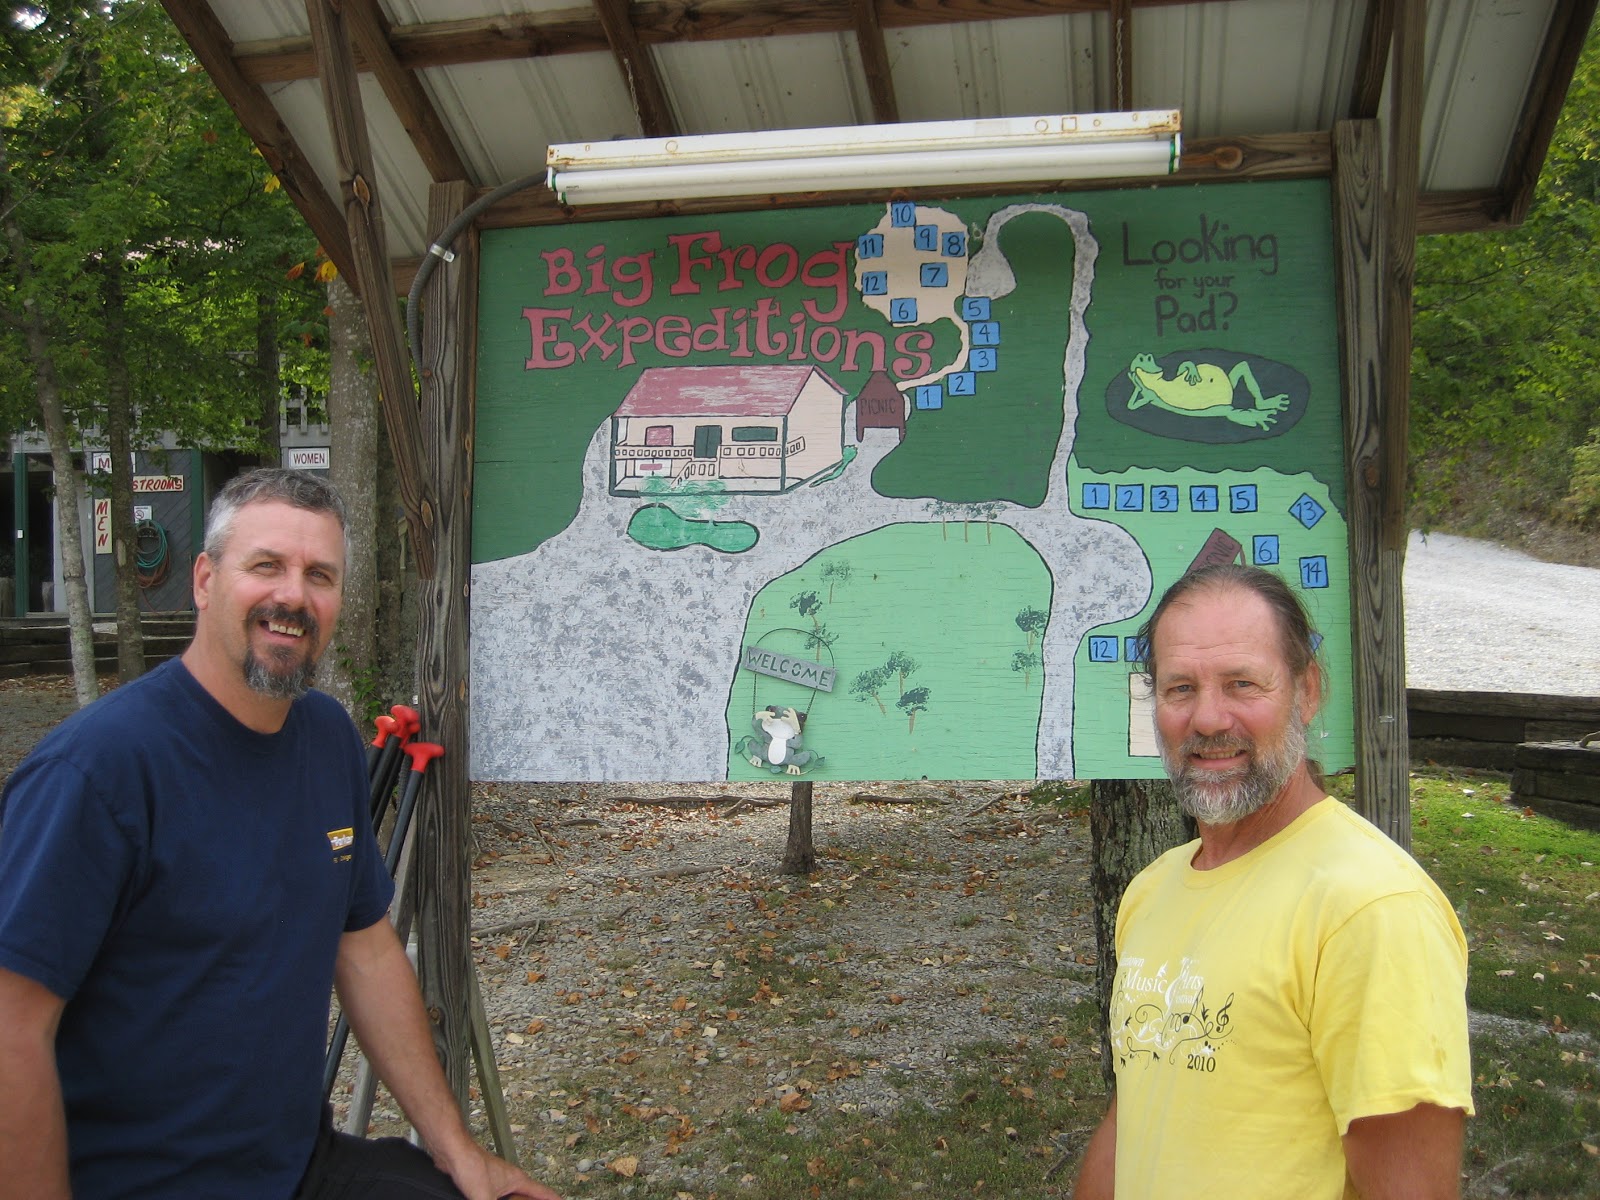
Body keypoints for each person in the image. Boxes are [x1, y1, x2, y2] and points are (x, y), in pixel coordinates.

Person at [0, 469, 559, 1200]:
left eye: (318, 575)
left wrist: (458, 1150)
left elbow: (363, 945)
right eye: (266, 566)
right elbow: (13, 1030)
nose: (292, 596)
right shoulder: (98, 772)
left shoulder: (326, 738)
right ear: (204, 580)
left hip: (295, 1165)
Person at [1073, 564, 1472, 1200]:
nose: (1207, 719)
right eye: (1180, 688)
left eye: (1242, 684)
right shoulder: (1153, 890)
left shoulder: (1369, 908)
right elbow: (1134, 1120)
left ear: (1307, 691)